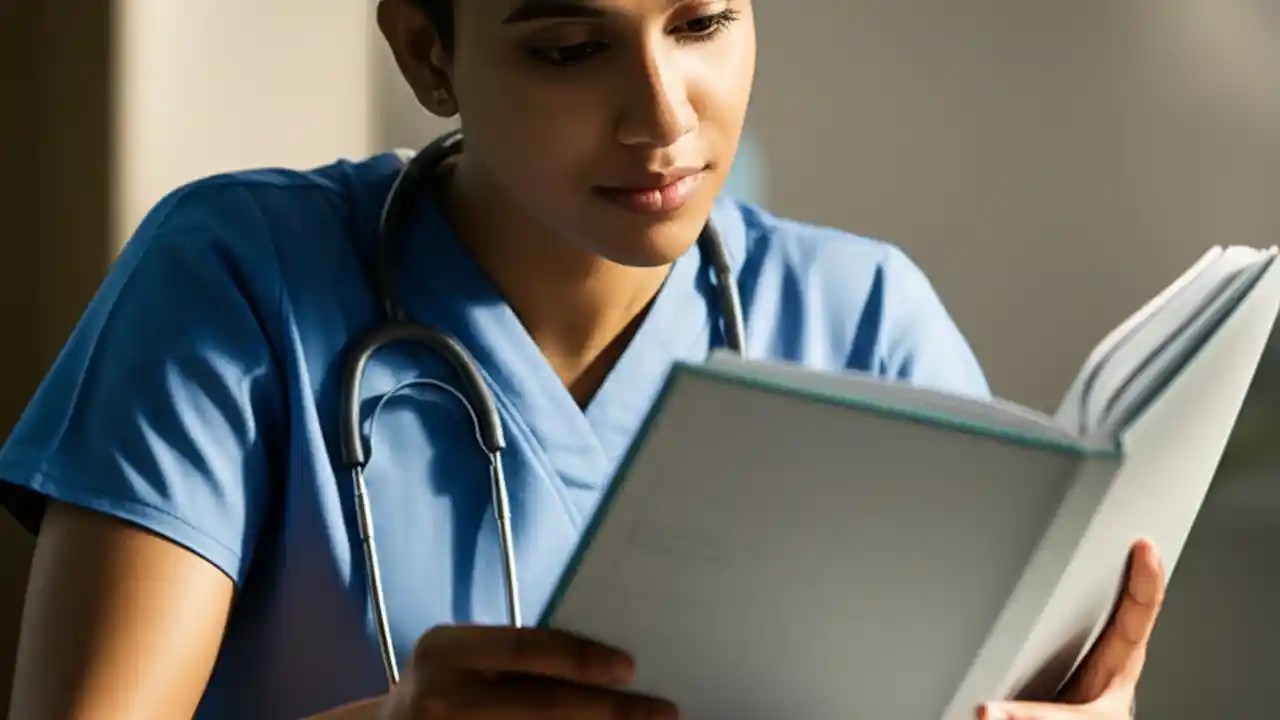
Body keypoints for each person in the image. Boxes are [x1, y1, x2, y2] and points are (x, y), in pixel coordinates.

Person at [1, 1, 1164, 718]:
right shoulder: (235, 280)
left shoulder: (861, 316)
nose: (661, 116)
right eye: (568, 48)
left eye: (703, 21)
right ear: (425, 51)